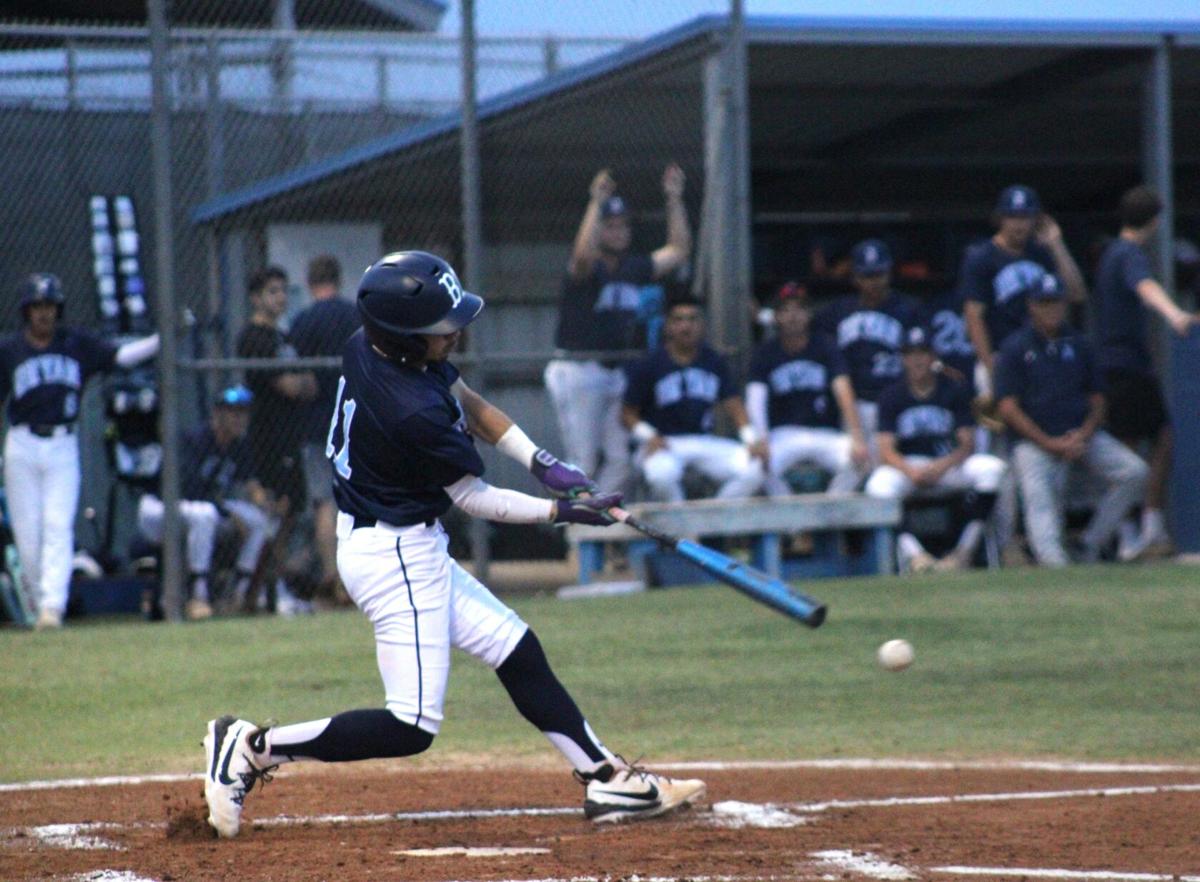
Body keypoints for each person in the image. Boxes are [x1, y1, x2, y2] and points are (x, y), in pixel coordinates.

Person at [202, 251, 705, 838]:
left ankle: (604, 777)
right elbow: (475, 499)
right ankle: (252, 747)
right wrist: (563, 511)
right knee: (411, 726)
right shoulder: (408, 409)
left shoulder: (369, 344)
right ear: (406, 337)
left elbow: (470, 401)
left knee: (515, 647)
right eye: (441, 327)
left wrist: (542, 462)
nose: (456, 333)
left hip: (395, 539)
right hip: (396, 557)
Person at [0, 273, 159, 629]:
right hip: (22, 444)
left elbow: (121, 356)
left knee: (58, 525)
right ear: (26, 311)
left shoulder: (76, 344)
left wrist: (159, 340)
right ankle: (40, 602)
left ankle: (51, 609)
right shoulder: (10, 351)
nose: (44, 314)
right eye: (38, 307)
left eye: (50, 307)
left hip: (62, 444)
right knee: (27, 536)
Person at [544, 164, 691, 495]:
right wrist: (595, 203)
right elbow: (582, 255)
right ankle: (577, 538)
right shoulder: (587, 267)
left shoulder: (634, 267)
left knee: (621, 460)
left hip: (615, 370)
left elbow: (679, 251)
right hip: (578, 367)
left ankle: (595, 522)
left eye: (623, 226)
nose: (619, 232)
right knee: (583, 459)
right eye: (610, 226)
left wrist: (674, 200)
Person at [994, 273, 1148, 567]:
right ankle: (1054, 563)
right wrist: (1048, 442)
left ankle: (1089, 543)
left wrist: (1083, 435)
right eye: (1044, 303)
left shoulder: (1080, 343)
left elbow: (1099, 399)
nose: (1051, 309)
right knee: (1038, 493)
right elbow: (1008, 407)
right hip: (1034, 440)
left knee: (1135, 472)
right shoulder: (1016, 347)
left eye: (1056, 302)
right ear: (1032, 306)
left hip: (1081, 436)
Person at [1093, 185, 1198, 561]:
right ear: (1155, 220)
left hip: (1122, 366)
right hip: (1126, 366)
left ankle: (1135, 533)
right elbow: (1146, 287)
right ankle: (1137, 533)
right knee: (1147, 447)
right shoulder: (1127, 254)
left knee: (1137, 450)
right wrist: (1175, 315)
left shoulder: (1110, 254)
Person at [865, 326, 1007, 573]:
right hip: (910, 466)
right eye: (911, 353)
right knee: (877, 486)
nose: (917, 359)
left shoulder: (954, 389)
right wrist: (911, 471)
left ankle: (964, 551)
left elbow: (967, 443)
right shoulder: (891, 395)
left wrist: (942, 466)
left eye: (923, 352)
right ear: (903, 358)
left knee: (992, 469)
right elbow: (886, 450)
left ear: (933, 357)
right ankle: (915, 556)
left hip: (949, 464)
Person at [136, 385, 274, 620]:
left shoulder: (238, 445)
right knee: (206, 514)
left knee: (258, 521)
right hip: (158, 508)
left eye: (244, 412)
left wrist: (264, 503)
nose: (240, 418)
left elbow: (251, 484)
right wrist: (229, 515)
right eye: (233, 412)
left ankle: (239, 595)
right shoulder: (194, 440)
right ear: (217, 414)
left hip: (203, 506)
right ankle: (198, 596)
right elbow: (189, 489)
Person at [622, 295, 764, 502]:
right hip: (664, 441)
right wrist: (649, 436)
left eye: (692, 319)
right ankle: (686, 531)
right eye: (678, 320)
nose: (685, 326)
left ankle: (711, 522)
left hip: (703, 439)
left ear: (702, 325)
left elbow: (735, 407)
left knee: (756, 466)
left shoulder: (714, 361)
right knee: (662, 476)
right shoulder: (650, 363)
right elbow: (627, 414)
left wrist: (751, 439)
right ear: (667, 326)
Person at [236, 266, 318, 613]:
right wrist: (297, 383)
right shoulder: (254, 337)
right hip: (269, 435)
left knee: (290, 513)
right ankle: (270, 591)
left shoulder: (283, 336)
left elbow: (310, 385)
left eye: (284, 290)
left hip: (290, 435)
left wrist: (299, 382)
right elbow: (288, 385)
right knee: (275, 510)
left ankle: (280, 587)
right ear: (256, 297)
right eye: (272, 291)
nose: (280, 297)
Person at [960, 184, 1087, 402]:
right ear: (1000, 218)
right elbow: (973, 316)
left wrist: (1057, 245)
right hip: (1000, 354)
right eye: (1012, 216)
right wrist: (990, 365)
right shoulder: (982, 257)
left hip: (1043, 355)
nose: (1019, 224)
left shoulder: (1042, 253)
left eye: (1025, 217)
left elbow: (1077, 294)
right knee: (996, 429)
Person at [745, 282, 868, 496]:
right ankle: (793, 525)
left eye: (799, 309)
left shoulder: (826, 346)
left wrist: (856, 437)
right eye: (785, 310)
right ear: (776, 316)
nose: (793, 316)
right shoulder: (765, 353)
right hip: (783, 435)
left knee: (861, 461)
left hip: (823, 433)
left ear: (809, 314)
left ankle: (826, 516)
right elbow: (755, 400)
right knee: (756, 467)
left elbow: (843, 390)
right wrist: (761, 439)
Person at [289, 255, 361, 598]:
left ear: (309, 282)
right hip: (356, 418)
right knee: (357, 501)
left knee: (324, 502)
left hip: (317, 422)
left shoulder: (303, 320)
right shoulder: (355, 315)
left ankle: (335, 576)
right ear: (339, 278)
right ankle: (359, 577)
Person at [812, 238, 921, 455]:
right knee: (855, 462)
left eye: (879, 274)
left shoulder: (909, 309)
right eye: (867, 276)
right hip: (854, 404)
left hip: (896, 401)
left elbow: (920, 360)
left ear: (889, 273)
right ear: (855, 277)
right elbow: (800, 328)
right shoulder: (837, 311)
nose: (874, 282)